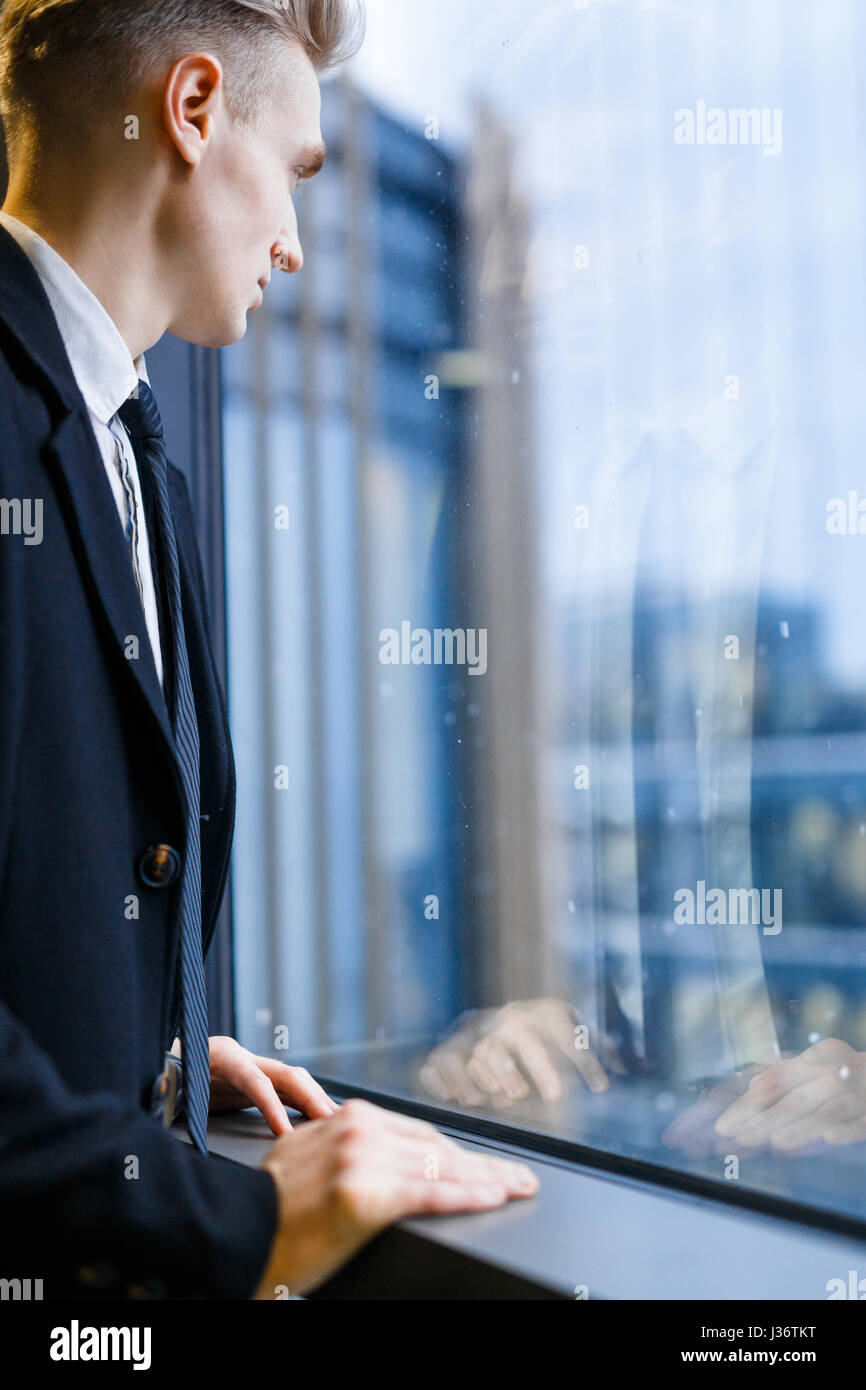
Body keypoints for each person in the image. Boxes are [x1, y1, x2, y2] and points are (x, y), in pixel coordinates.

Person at [0, 0, 537, 1303]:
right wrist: (213, 1214)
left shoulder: (139, 457)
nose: (295, 245)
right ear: (189, 113)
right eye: (295, 173)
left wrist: (149, 1054)